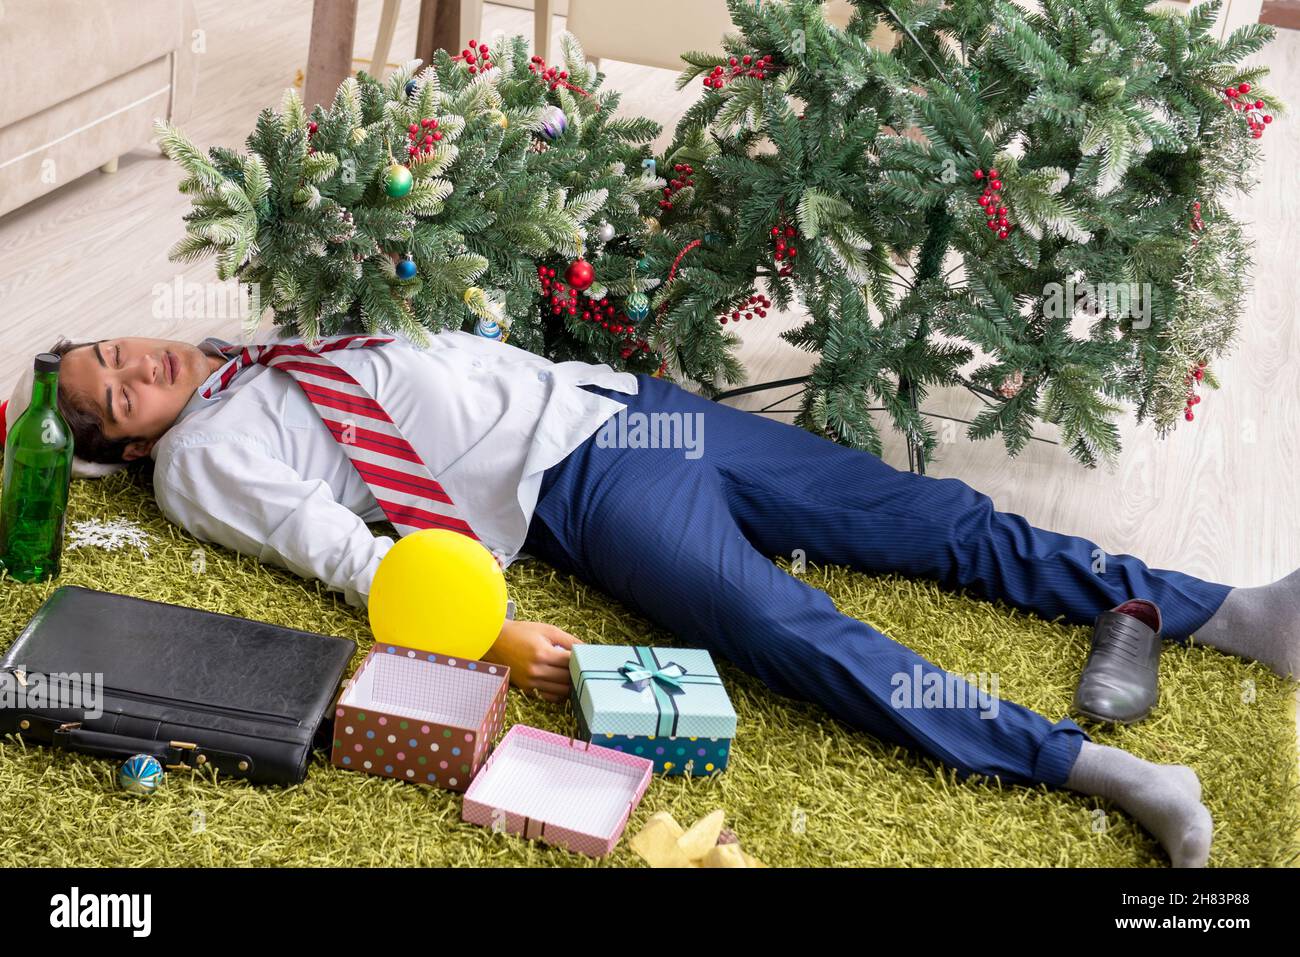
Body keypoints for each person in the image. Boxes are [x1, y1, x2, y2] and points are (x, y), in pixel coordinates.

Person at [9, 329, 1299, 867]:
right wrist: (484, 626)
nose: (132, 367)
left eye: (116, 348)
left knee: (931, 520)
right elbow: (328, 547)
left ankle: (1222, 610)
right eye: (110, 394)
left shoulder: (252, 360)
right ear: (126, 445)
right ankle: (1091, 769)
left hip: (625, 410)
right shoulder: (200, 463)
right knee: (795, 636)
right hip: (589, 493)